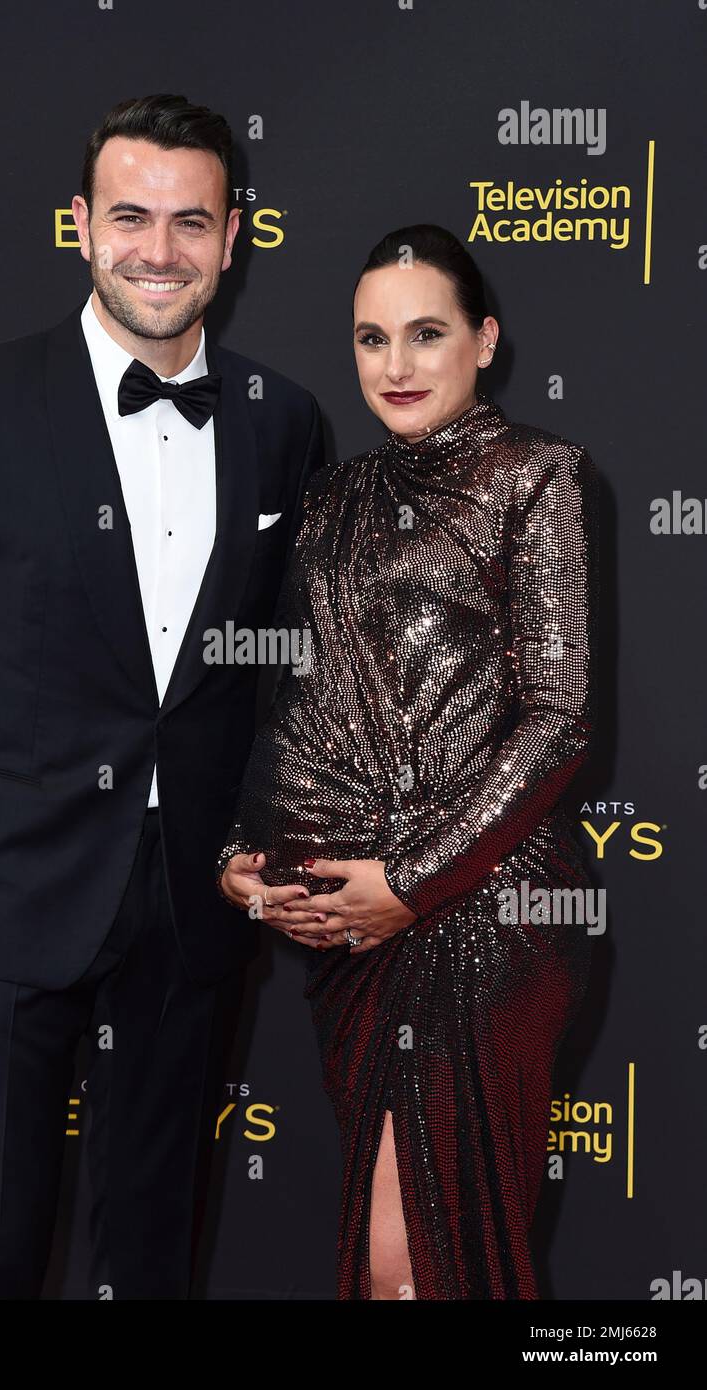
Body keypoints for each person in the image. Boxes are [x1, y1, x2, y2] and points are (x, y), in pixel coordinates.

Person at [0, 94, 324, 1299]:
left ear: (235, 236)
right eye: (131, 216)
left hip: (194, 908)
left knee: (152, 1258)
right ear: (81, 224)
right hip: (2, 893)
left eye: (190, 222)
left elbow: (277, 661)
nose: (159, 250)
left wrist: (265, 839)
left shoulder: (281, 420)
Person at [218, 224, 598, 1300]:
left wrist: (415, 882)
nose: (395, 365)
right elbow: (297, 697)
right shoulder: (331, 500)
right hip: (355, 936)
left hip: (486, 917)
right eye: (371, 338)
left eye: (426, 334)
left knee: (413, 1258)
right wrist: (241, 854)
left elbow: (557, 720)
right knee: (418, 1263)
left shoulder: (538, 474)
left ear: (484, 339)